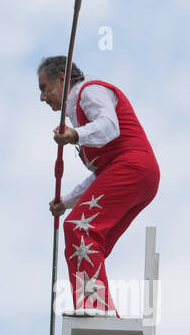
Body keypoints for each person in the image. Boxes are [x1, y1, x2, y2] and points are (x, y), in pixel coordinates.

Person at [38, 55, 160, 315]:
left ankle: (96, 307)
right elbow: (102, 176)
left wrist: (75, 135)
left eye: (44, 87)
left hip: (133, 167)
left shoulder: (89, 91)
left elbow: (109, 126)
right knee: (90, 244)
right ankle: (102, 311)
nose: (42, 97)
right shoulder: (80, 117)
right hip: (135, 173)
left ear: (61, 79)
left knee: (78, 229)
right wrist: (66, 201)